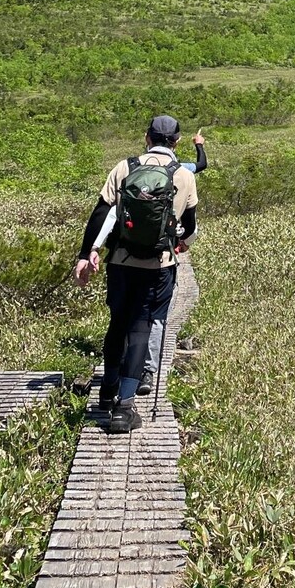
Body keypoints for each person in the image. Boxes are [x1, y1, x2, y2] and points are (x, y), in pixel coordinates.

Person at [75, 115, 198, 434]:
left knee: (118, 323)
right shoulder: (184, 175)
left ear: (146, 138)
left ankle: (106, 394)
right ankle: (124, 408)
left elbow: (101, 213)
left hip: (120, 261)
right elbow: (191, 226)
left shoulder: (124, 167)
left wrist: (86, 253)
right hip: (158, 266)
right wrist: (179, 240)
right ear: (177, 142)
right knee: (143, 326)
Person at [136, 131, 207, 396]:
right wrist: (199, 146)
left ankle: (120, 368)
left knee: (129, 312)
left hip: (127, 255)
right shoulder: (182, 170)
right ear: (175, 142)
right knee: (157, 315)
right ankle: (147, 370)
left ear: (147, 138)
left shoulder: (130, 166)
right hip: (163, 256)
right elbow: (202, 165)